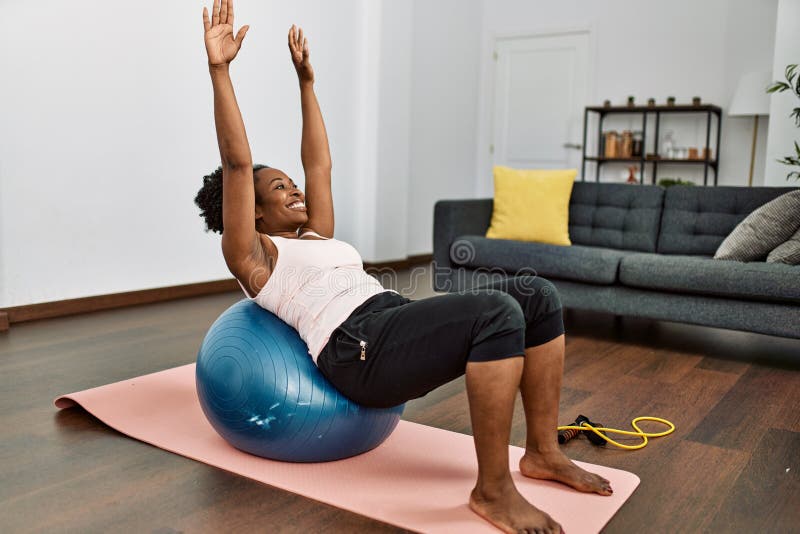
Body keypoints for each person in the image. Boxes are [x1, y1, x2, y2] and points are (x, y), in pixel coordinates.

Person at [195, 2, 612, 532]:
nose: (296, 189)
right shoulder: (255, 258)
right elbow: (237, 164)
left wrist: (307, 83)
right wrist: (220, 70)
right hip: (356, 351)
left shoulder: (316, 232)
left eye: (291, 183)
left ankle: (543, 452)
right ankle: (492, 490)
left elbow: (319, 164)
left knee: (538, 296)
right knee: (498, 313)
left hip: (389, 318)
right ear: (253, 211)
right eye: (280, 187)